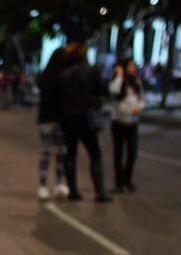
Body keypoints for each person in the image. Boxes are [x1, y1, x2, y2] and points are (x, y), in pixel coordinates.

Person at [58, 41, 111, 202]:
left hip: (68, 119)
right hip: (87, 117)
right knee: (95, 154)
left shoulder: (63, 75)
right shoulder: (91, 71)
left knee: (70, 155)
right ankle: (100, 192)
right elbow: (103, 90)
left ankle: (73, 191)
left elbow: (59, 99)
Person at [36, 48, 69, 201]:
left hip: (45, 119)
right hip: (59, 119)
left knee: (46, 152)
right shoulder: (64, 78)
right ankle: (59, 183)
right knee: (60, 153)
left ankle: (43, 185)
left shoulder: (44, 77)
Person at [108, 59, 143, 193]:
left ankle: (127, 179)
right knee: (118, 154)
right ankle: (119, 183)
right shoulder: (117, 81)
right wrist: (120, 75)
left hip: (132, 122)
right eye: (130, 66)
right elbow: (113, 90)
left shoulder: (136, 83)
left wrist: (139, 108)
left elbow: (142, 99)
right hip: (118, 122)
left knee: (132, 152)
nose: (133, 68)